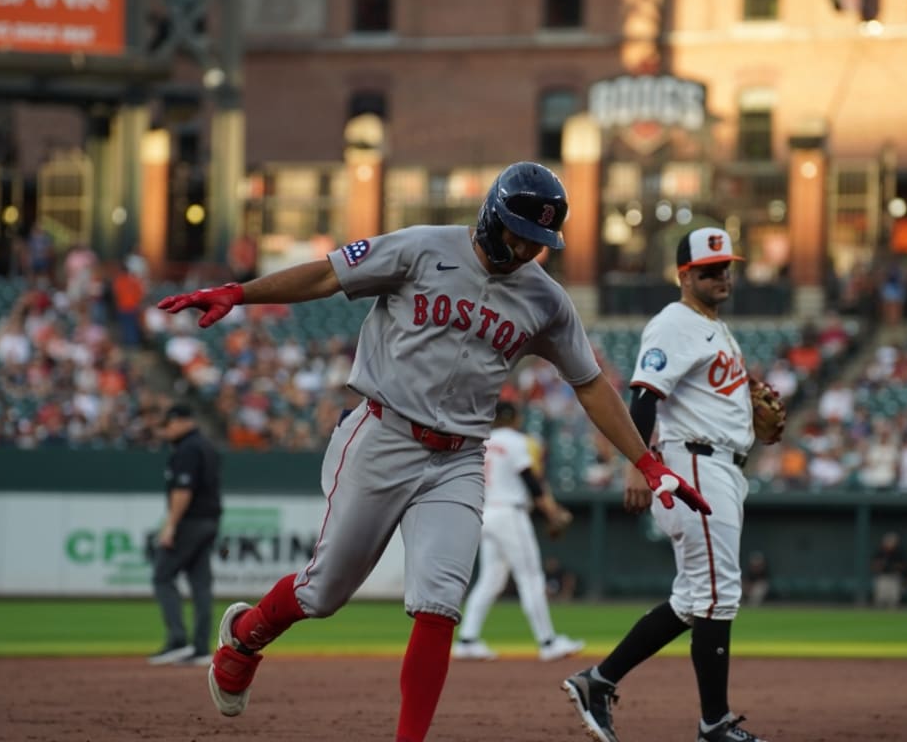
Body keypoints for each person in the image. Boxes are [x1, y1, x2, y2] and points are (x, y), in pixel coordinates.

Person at [156, 161, 709, 742]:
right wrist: (240, 294)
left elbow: (590, 383)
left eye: (539, 241)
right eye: (519, 233)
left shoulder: (546, 299)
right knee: (324, 592)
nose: (525, 248)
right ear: (491, 216)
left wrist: (645, 460)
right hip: (384, 436)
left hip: (460, 457)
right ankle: (246, 634)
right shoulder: (422, 248)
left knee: (441, 603)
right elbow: (326, 277)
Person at [560, 226, 782, 742]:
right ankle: (715, 724)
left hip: (721, 464)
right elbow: (644, 397)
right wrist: (638, 466)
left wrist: (750, 414)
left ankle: (599, 681)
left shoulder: (716, 328)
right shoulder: (674, 324)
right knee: (717, 595)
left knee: (693, 599)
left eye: (727, 266)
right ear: (685, 275)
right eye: (710, 269)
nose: (722, 275)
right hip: (694, 464)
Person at [452, 400, 585, 662]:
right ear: (514, 419)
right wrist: (553, 513)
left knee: (491, 578)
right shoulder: (515, 441)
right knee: (531, 577)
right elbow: (531, 482)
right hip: (510, 514)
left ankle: (467, 640)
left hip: (486, 512)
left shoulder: (483, 440)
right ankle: (548, 642)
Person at [147, 404, 223, 666]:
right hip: (209, 520)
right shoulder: (206, 445)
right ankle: (201, 647)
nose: (165, 431)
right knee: (201, 584)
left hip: (190, 521)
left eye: (167, 425)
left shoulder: (188, 448)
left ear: (180, 421)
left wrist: (170, 525)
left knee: (162, 576)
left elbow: (183, 491)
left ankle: (177, 640)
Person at [871, 532, 907, 610]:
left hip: (895, 577)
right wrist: (881, 565)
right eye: (888, 542)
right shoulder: (880, 552)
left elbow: (904, 566)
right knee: (880, 599)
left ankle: (894, 618)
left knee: (894, 600)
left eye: (892, 542)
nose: (890, 544)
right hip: (883, 577)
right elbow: (874, 566)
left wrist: (893, 565)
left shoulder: (899, 552)